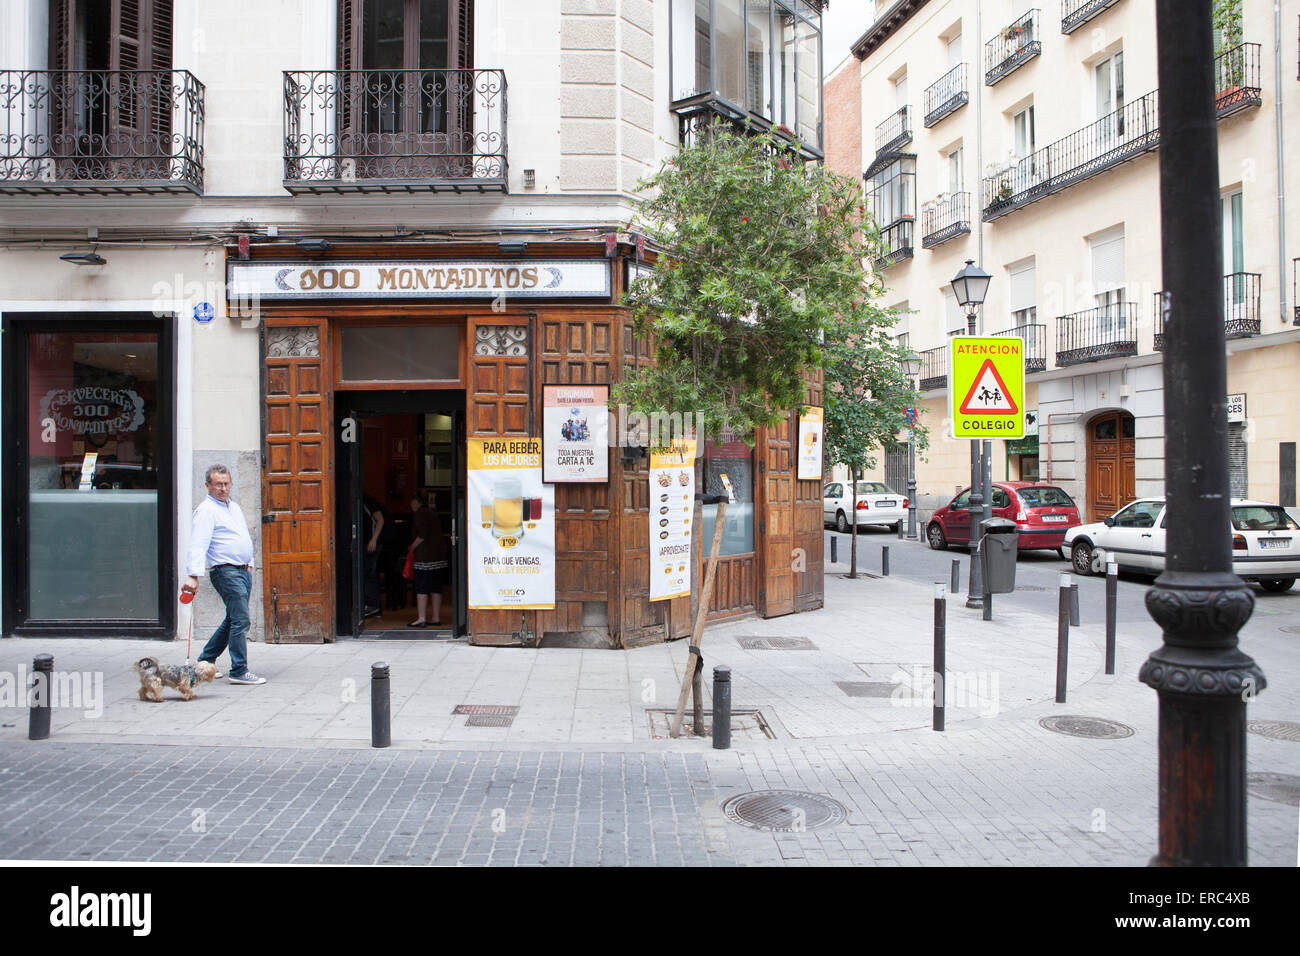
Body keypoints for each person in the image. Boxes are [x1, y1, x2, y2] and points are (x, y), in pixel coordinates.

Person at [185, 464, 266, 685]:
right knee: (241, 619)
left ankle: (205, 661)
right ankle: (239, 670)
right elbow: (197, 544)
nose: (223, 488)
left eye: (226, 484)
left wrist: (249, 563)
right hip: (225, 572)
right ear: (207, 486)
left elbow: (242, 536)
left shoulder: (234, 507)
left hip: (242, 571)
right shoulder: (205, 510)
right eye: (218, 484)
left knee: (232, 619)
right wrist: (193, 575)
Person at [407, 492, 447, 627]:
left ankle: (422, 618)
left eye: (412, 503)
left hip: (424, 558)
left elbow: (422, 535)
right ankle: (436, 617)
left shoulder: (419, 514)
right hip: (439, 556)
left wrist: (412, 547)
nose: (411, 506)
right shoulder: (432, 513)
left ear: (417, 502)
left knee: (421, 587)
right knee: (436, 587)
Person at [361, 494, 386, 618]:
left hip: (370, 543)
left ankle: (373, 605)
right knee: (366, 573)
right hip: (363, 543)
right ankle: (373, 606)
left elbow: (380, 520)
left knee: (368, 573)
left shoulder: (367, 500)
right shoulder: (356, 501)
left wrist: (373, 539)